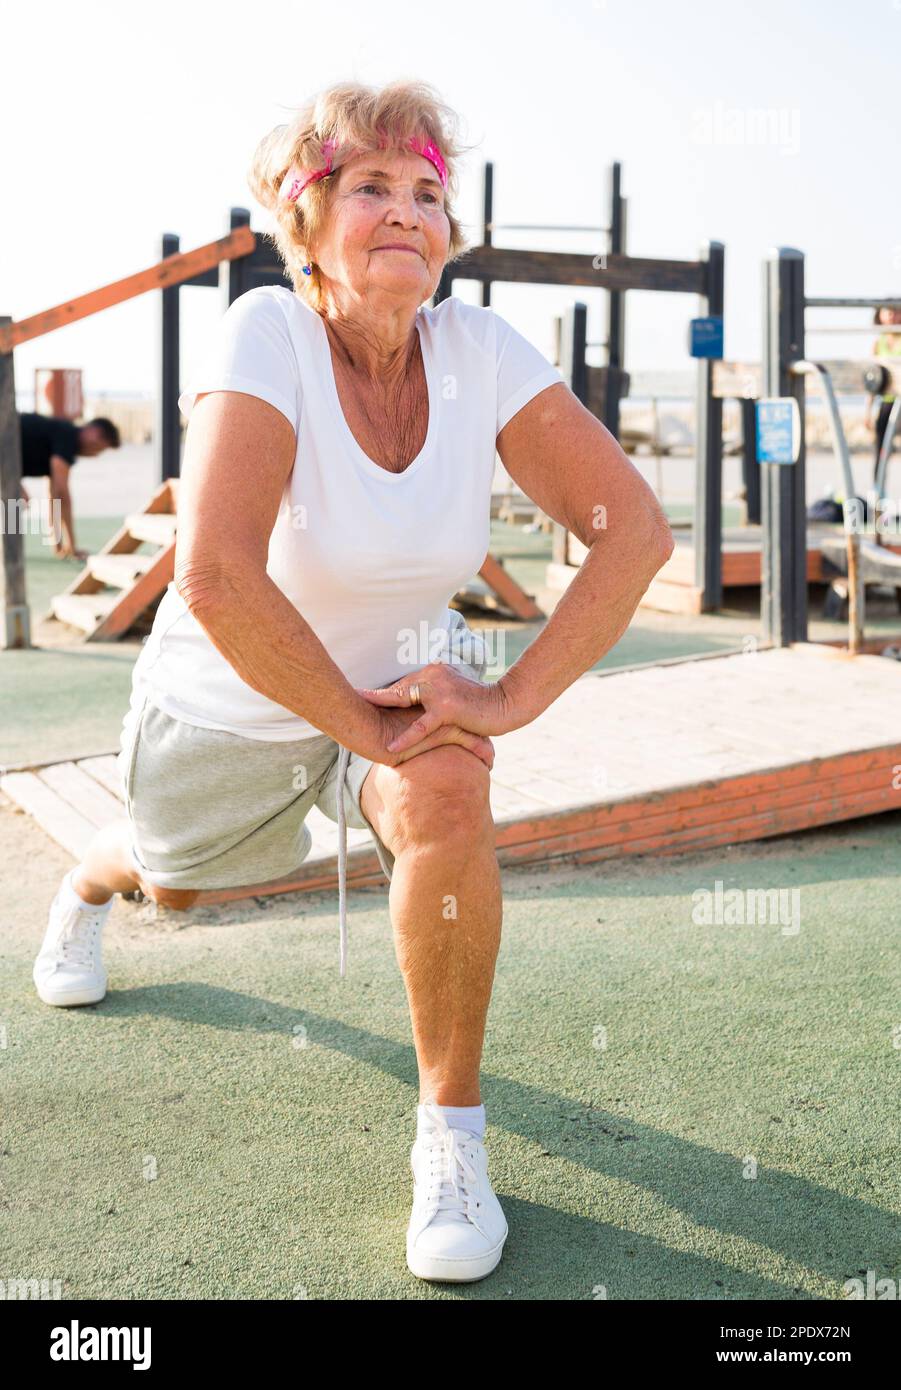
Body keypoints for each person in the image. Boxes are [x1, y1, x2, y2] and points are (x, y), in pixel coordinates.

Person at [32, 79, 674, 1283]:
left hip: (392, 699)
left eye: (429, 191)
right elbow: (217, 577)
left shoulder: (479, 349)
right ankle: (88, 882)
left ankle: (452, 1139)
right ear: (306, 217)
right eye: (371, 186)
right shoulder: (266, 332)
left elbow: (631, 528)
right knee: (172, 885)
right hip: (226, 704)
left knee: (447, 796)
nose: (408, 212)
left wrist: (507, 698)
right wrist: (354, 723)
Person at [18, 413, 121, 559]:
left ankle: (10, 552)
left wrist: (58, 544)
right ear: (94, 433)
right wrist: (72, 546)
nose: (95, 455)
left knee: (16, 501)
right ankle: (9, 556)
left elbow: (54, 496)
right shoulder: (67, 437)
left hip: (6, 459)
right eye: (100, 449)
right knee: (16, 500)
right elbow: (62, 494)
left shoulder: (61, 437)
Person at [863, 305, 901, 485]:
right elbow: (873, 379)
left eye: (896, 311)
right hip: (887, 401)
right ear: (881, 315)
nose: (893, 315)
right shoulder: (878, 344)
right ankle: (877, 490)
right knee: (880, 450)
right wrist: (867, 411)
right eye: (889, 312)